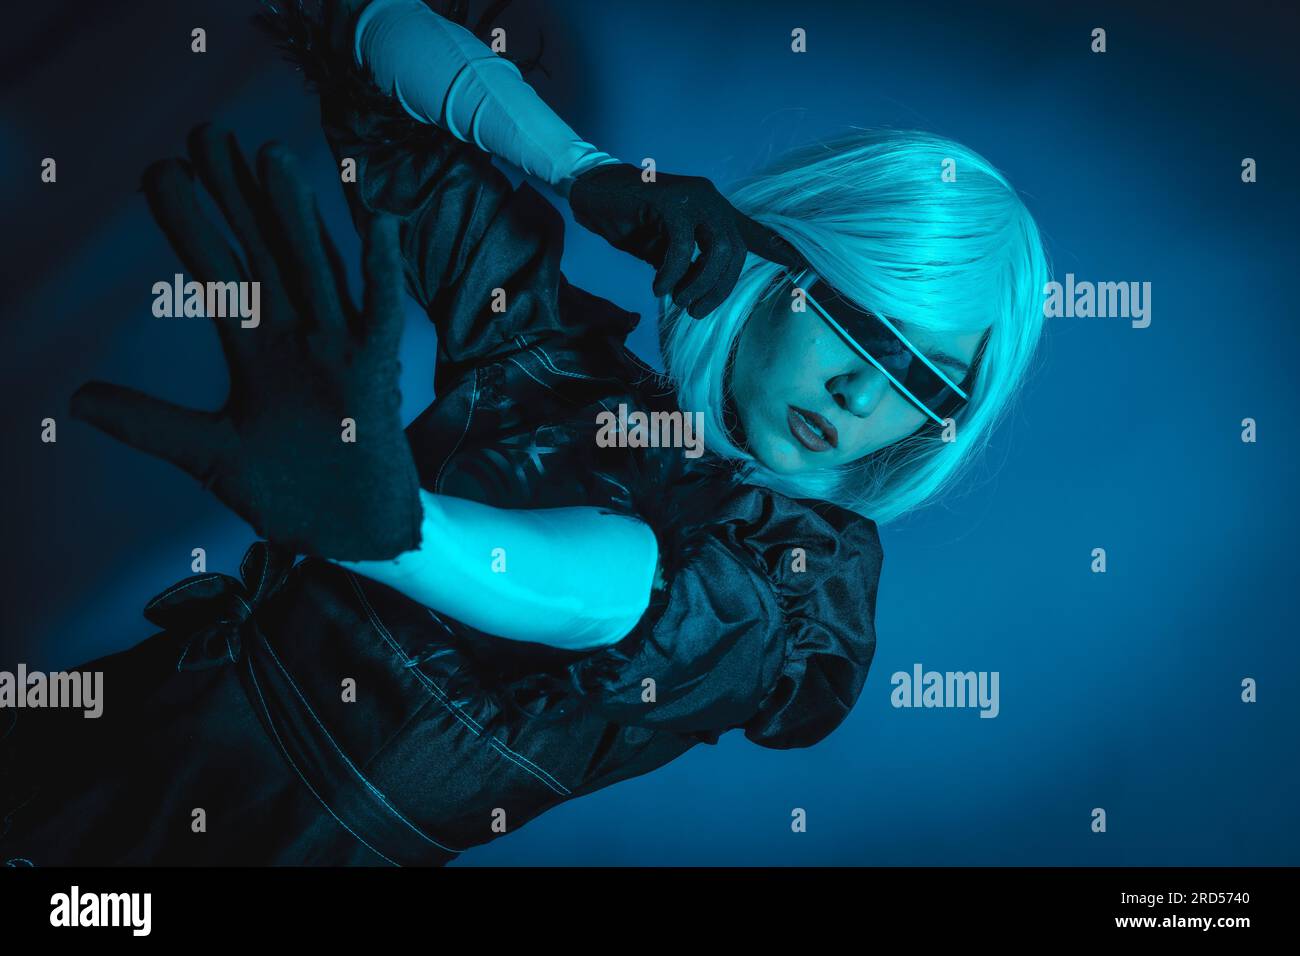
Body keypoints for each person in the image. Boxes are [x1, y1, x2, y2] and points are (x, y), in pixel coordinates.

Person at [0, 0, 1048, 866]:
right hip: (111, 724)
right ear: (774, 268)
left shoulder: (797, 591)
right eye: (856, 322)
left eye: (924, 379)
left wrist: (402, 533)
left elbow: (623, 588)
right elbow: (372, 52)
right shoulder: (545, 359)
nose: (865, 394)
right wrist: (579, 166)